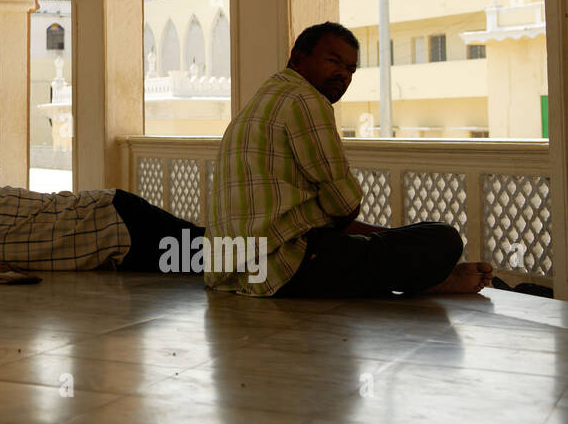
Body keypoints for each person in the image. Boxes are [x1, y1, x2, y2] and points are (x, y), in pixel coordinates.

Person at [207, 22, 492, 298]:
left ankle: (423, 277)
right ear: (297, 59)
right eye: (334, 61)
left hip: (232, 271)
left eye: (350, 69)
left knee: (381, 244)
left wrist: (388, 236)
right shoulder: (305, 100)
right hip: (282, 268)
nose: (343, 75)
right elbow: (346, 206)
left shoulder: (266, 98)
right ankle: (433, 278)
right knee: (442, 239)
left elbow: (330, 221)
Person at [0, 184, 201, 276]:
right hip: (115, 248)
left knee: (213, 253)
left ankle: (254, 239)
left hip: (114, 221)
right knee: (204, 262)